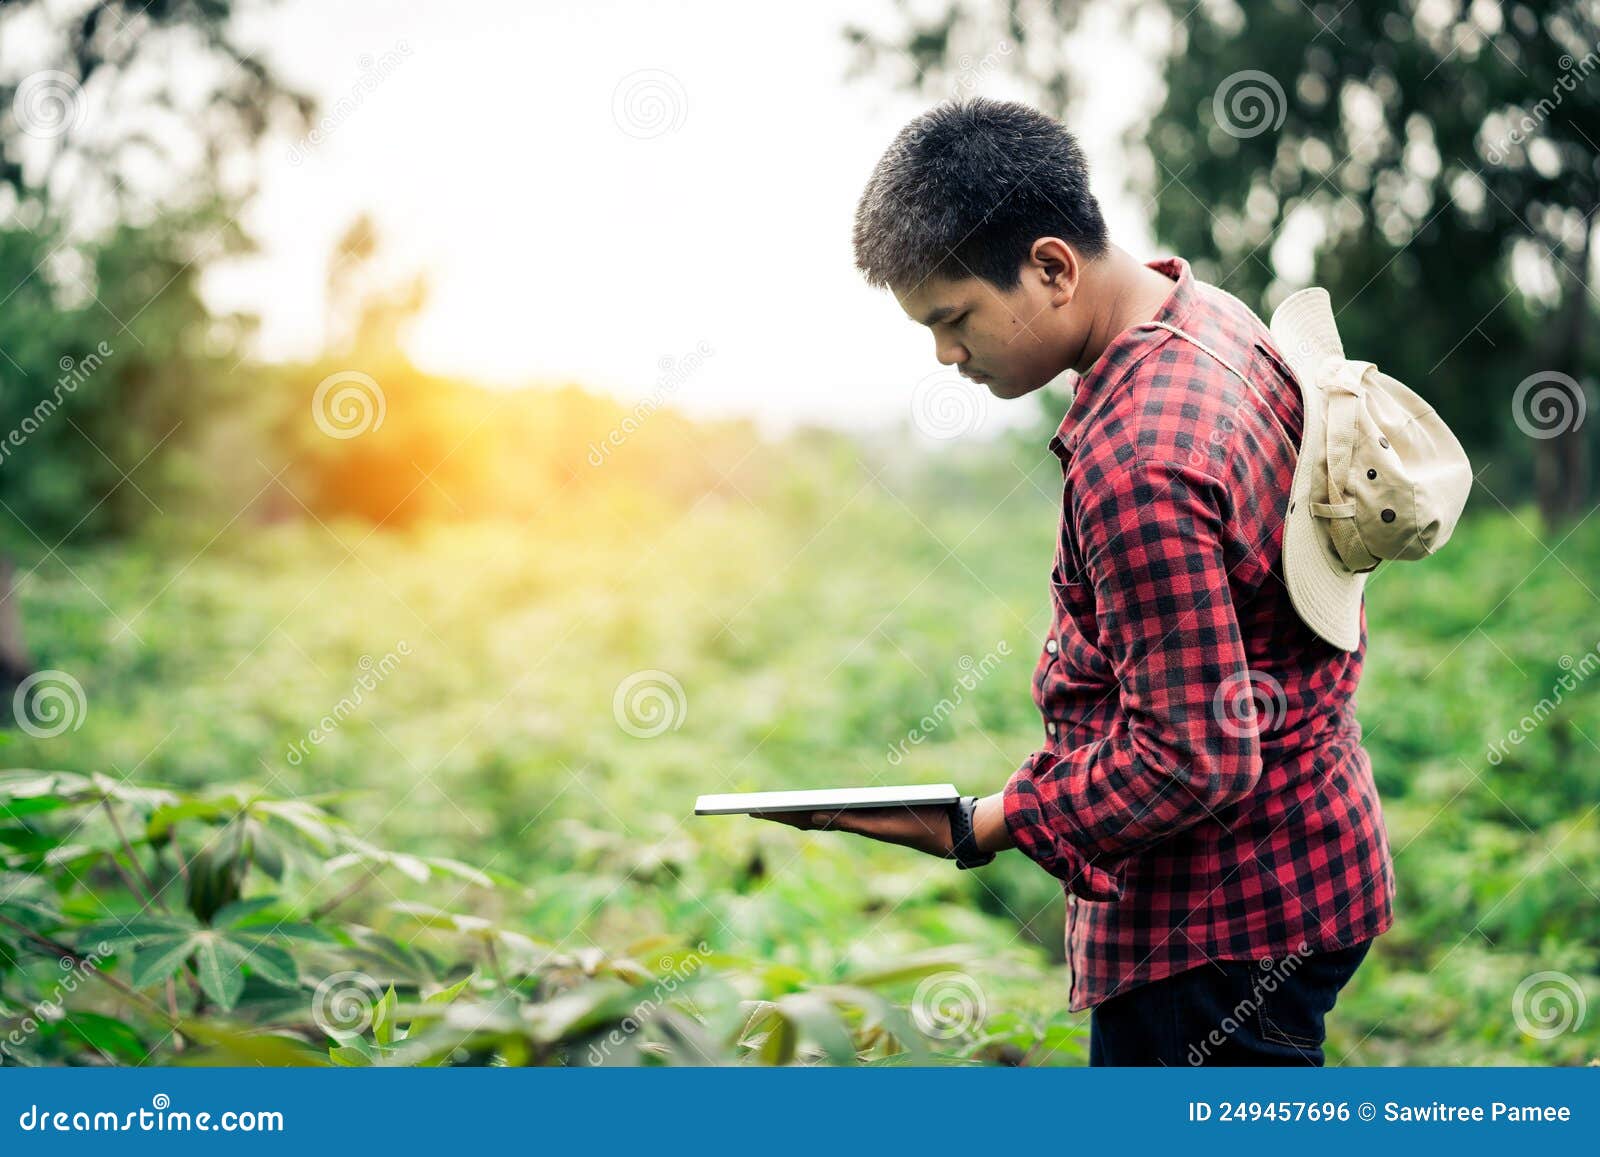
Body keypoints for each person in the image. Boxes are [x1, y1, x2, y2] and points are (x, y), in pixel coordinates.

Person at [754, 97, 1394, 1067]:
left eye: (954, 316)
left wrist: (991, 820)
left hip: (1216, 925)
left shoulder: (1138, 456)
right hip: (1310, 858)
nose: (944, 354)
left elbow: (1193, 757)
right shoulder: (1202, 312)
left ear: (1052, 267)